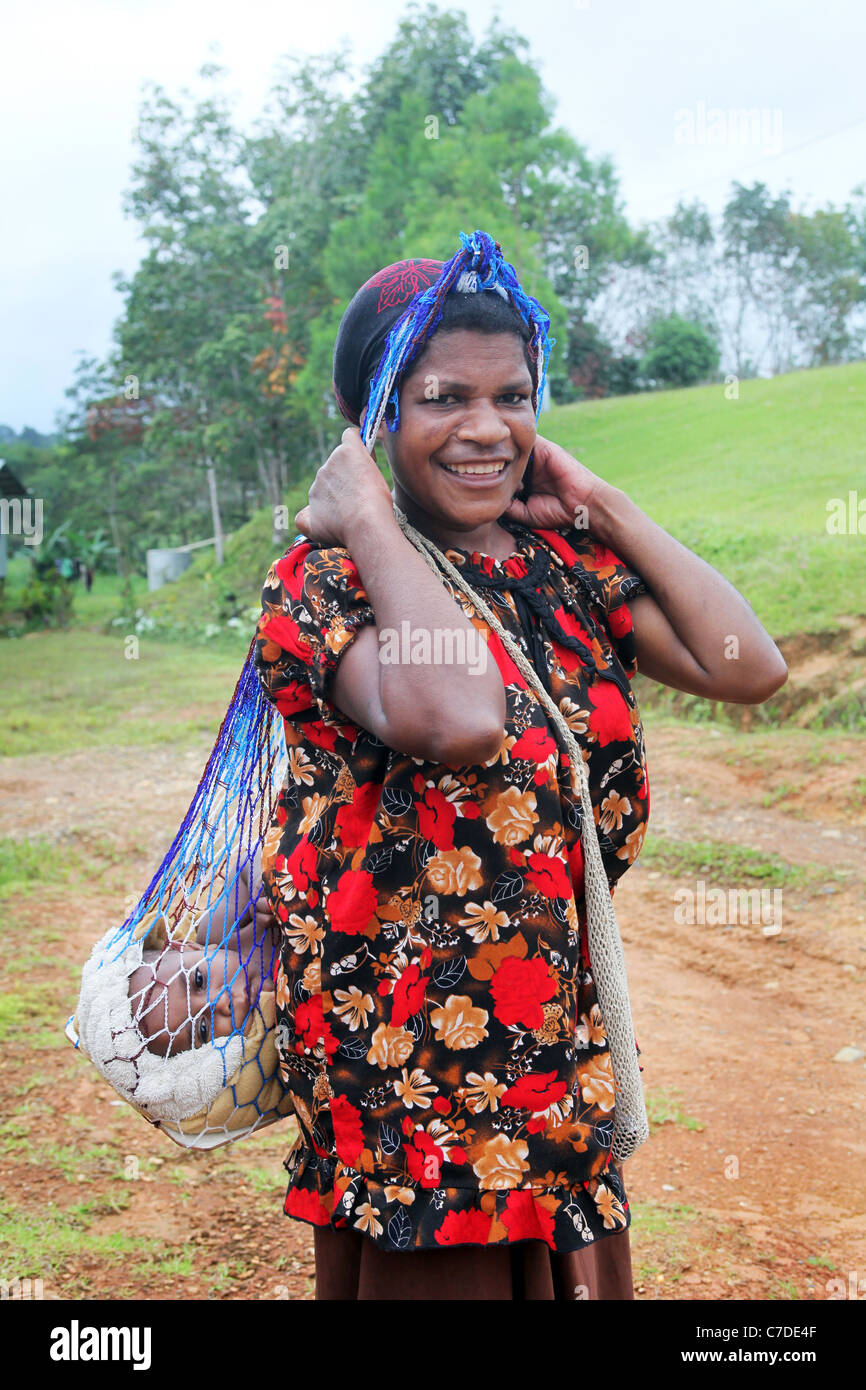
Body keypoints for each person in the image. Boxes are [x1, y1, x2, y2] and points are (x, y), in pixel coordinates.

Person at [253, 232, 788, 1301]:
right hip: (408, 1060)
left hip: (550, 1039)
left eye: (515, 396)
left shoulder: (562, 565)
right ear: (373, 418)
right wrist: (364, 514)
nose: (486, 429)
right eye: (444, 396)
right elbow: (454, 720)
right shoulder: (324, 585)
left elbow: (749, 666)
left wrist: (602, 502)